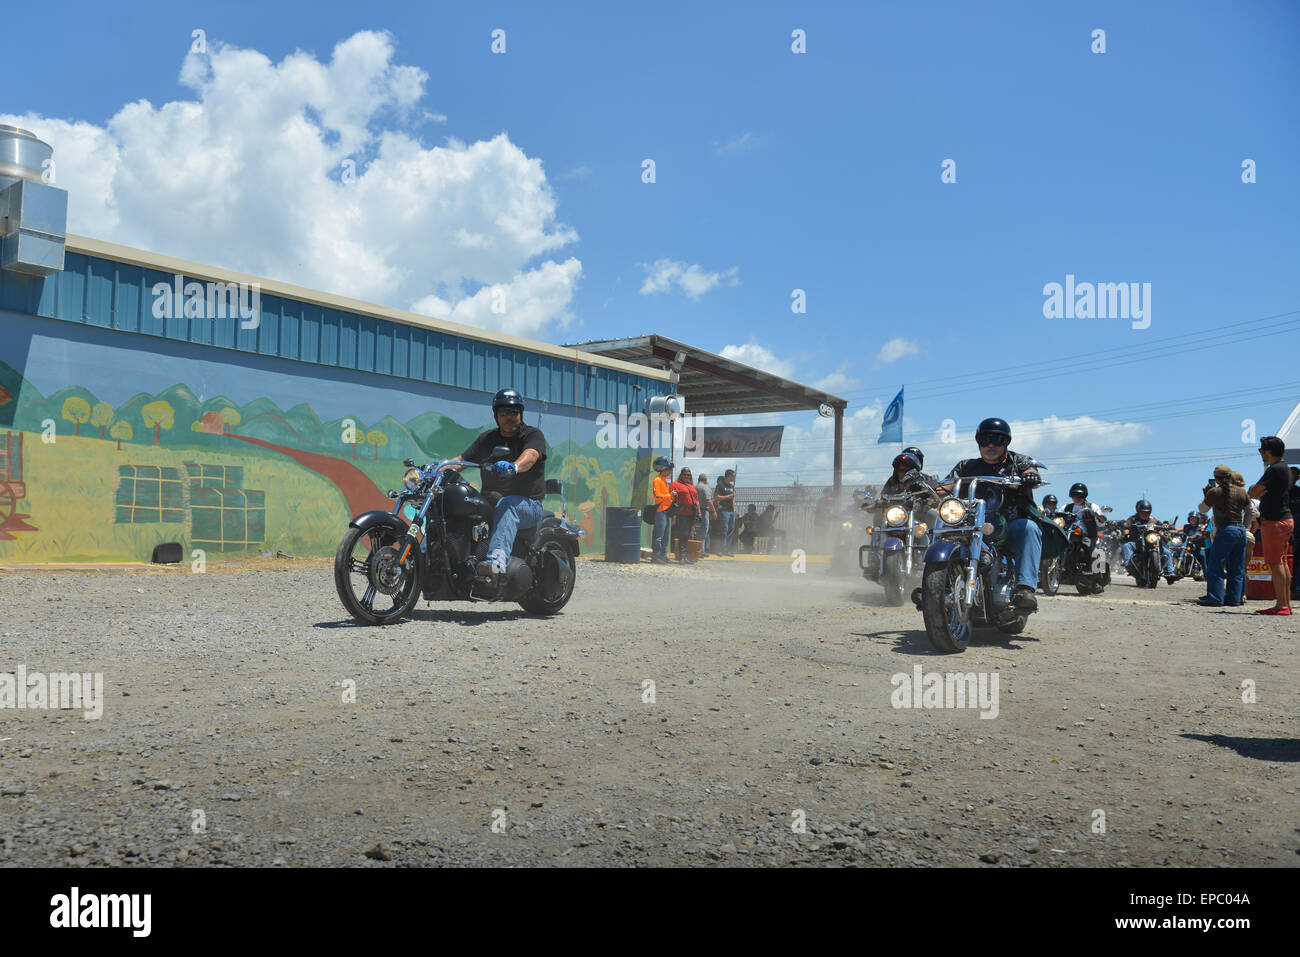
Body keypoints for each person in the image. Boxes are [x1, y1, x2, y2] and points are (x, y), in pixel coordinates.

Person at [935, 417, 1044, 612]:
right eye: (985, 440)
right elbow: (946, 486)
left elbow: (1030, 469)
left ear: (1006, 442)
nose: (991, 444)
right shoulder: (966, 467)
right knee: (938, 519)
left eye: (997, 439)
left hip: (1009, 524)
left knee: (1029, 528)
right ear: (979, 443)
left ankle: (1025, 589)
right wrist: (927, 487)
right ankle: (934, 584)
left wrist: (1030, 474)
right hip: (971, 523)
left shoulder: (1017, 461)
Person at [444, 389, 547, 584]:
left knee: (507, 505)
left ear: (521, 413)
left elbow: (531, 455)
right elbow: (463, 460)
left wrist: (514, 466)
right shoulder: (488, 439)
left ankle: (495, 563)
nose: (510, 417)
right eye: (504, 413)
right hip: (494, 501)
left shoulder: (532, 434)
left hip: (528, 505)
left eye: (514, 411)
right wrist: (437, 469)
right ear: (496, 415)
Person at [1246, 436, 1293, 615]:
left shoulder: (1274, 469)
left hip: (1274, 521)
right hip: (1284, 519)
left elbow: (1254, 491)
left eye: (1262, 450)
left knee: (1275, 563)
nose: (1261, 454)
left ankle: (1281, 605)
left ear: (1269, 451)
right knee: (1282, 562)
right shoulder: (1285, 468)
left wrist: (1259, 492)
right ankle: (1285, 604)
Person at [1197, 464, 1251, 607]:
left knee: (1216, 565)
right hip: (1240, 530)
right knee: (1237, 567)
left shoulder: (1215, 492)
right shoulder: (1242, 492)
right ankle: (1234, 599)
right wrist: (1244, 527)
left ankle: (1215, 598)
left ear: (1216, 478)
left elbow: (1202, 510)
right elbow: (1250, 512)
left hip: (1225, 530)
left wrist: (1207, 494)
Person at [1120, 499, 1177, 583]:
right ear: (1138, 511)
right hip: (1137, 542)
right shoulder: (1133, 519)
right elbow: (1126, 527)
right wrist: (1126, 532)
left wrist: (1164, 530)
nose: (1145, 514)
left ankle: (1170, 574)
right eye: (1143, 512)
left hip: (1151, 541)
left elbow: (1160, 527)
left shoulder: (1152, 519)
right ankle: (1129, 565)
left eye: (1147, 512)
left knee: (1167, 551)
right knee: (1126, 546)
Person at [650, 455, 676, 564]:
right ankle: (656, 556)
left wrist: (672, 496)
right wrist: (670, 495)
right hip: (661, 511)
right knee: (659, 535)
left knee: (665, 536)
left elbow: (665, 496)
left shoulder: (664, 481)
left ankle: (663, 555)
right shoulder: (657, 480)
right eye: (668, 469)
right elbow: (657, 496)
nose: (670, 471)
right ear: (663, 469)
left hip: (666, 511)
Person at [671, 467, 699, 564]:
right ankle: (681, 557)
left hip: (691, 514)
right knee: (682, 535)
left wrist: (698, 513)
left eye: (688, 475)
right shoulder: (675, 484)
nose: (686, 476)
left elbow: (696, 500)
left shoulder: (691, 486)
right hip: (681, 514)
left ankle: (684, 556)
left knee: (687, 535)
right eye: (684, 474)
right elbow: (672, 499)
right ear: (681, 475)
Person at [715, 470, 737, 556]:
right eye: (733, 475)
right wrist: (728, 496)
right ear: (729, 476)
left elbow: (733, 498)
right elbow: (716, 497)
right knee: (724, 530)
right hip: (724, 510)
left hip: (731, 511)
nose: (734, 477)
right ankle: (721, 549)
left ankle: (727, 550)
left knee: (731, 530)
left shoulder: (732, 486)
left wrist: (734, 509)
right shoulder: (720, 485)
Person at [695, 473, 716, 558]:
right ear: (705, 480)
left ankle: (698, 550)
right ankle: (701, 551)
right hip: (704, 510)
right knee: (704, 531)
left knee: (698, 531)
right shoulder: (705, 487)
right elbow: (708, 500)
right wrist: (714, 511)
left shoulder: (695, 487)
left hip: (696, 510)